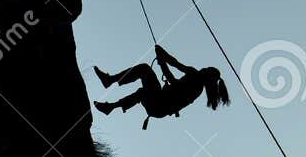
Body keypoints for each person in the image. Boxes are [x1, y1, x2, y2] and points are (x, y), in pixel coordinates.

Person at [92, 44, 231, 127]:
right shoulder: (194, 72)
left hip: (160, 107)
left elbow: (174, 82)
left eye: (206, 70)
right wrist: (161, 52)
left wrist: (162, 63)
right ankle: (110, 83)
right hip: (160, 97)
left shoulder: (196, 89)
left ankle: (110, 104)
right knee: (144, 70)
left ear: (207, 78)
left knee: (143, 91)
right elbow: (176, 63)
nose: (203, 69)